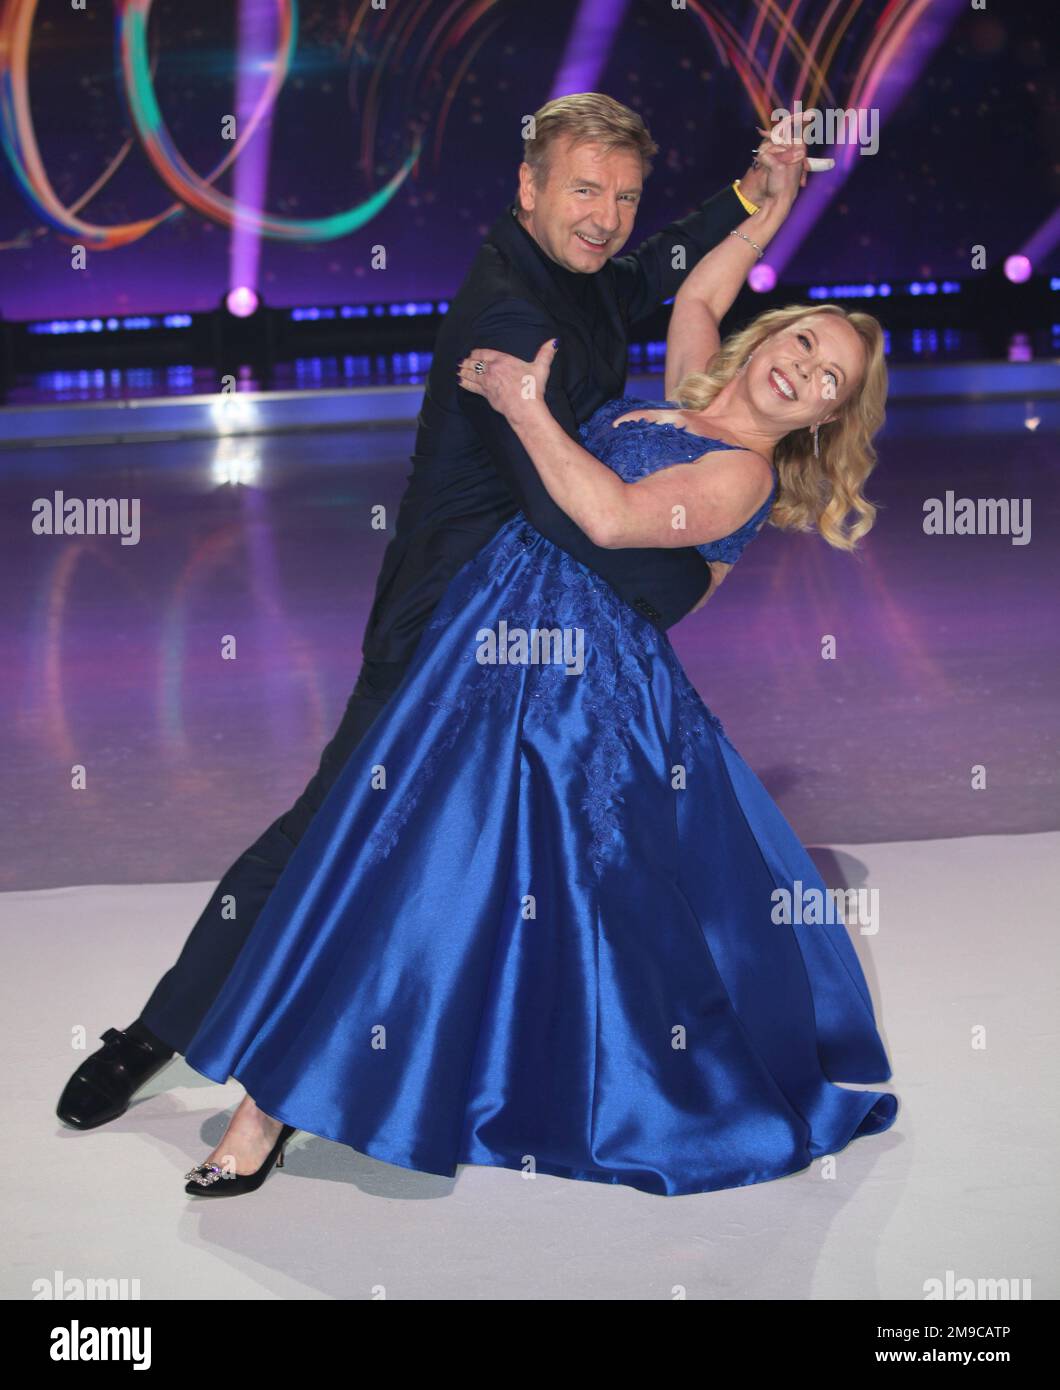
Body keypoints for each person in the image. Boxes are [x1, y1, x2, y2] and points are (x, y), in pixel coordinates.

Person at [57, 93, 803, 1133]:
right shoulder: (510, 313)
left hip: (529, 624)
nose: (606, 216)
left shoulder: (563, 270)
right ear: (528, 187)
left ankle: (496, 1062)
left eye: (624, 195)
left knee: (486, 856)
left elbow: (645, 278)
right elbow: (569, 513)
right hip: (450, 623)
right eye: (584, 190)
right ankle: (158, 1032)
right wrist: (695, 570)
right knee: (332, 831)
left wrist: (745, 198)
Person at [179, 145, 898, 1199]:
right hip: (490, 629)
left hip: (573, 687)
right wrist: (765, 205)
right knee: (387, 855)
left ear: (828, 415)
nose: (800, 367)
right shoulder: (692, 391)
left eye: (826, 376)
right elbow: (700, 286)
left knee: (427, 872)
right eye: (801, 338)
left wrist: (526, 407)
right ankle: (296, 1093)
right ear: (769, 335)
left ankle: (281, 1106)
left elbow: (607, 516)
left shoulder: (742, 475)